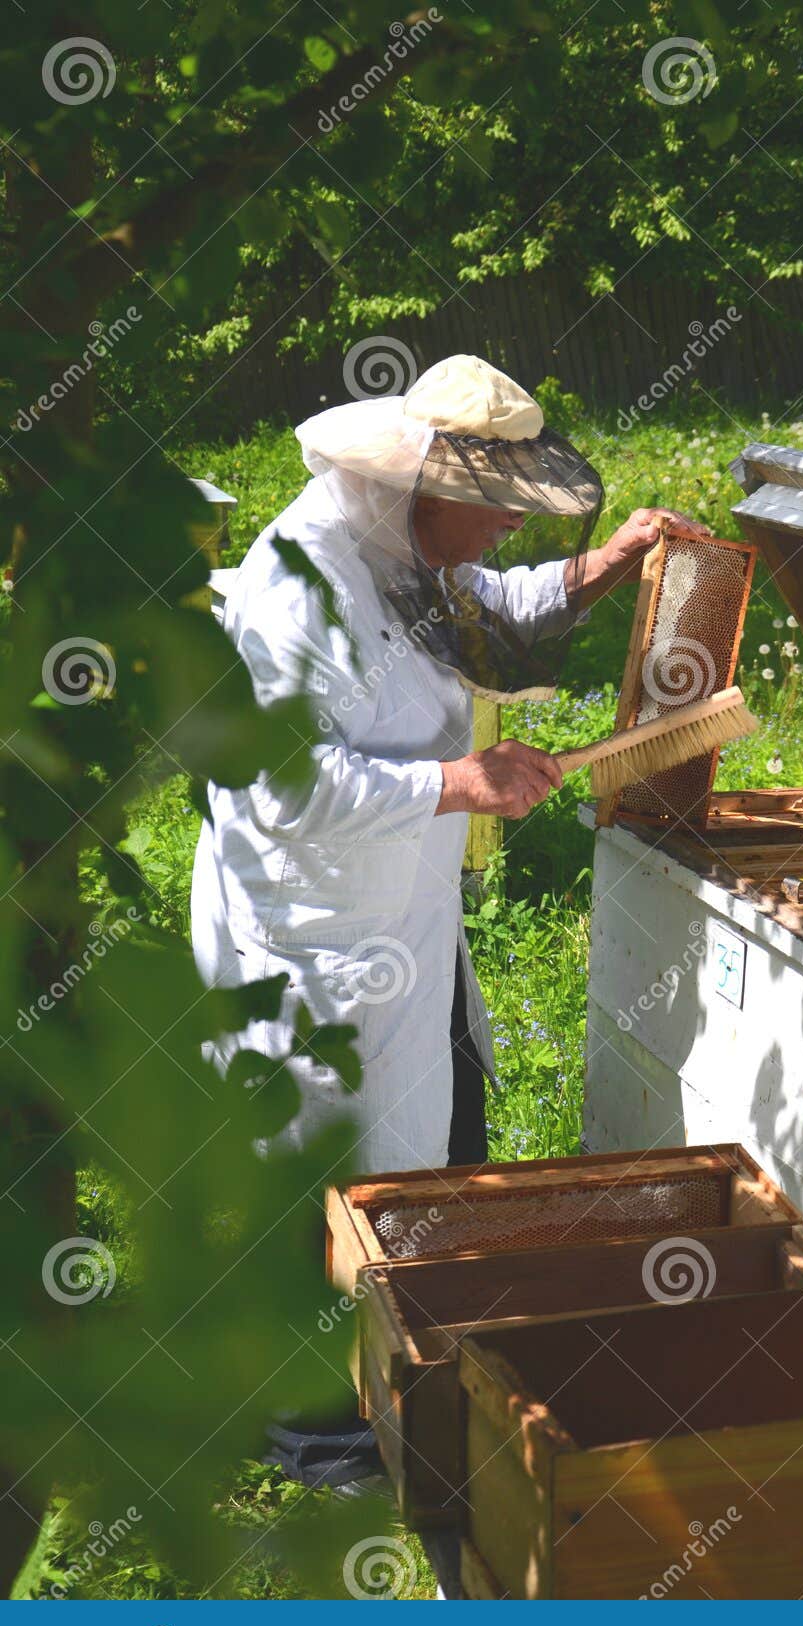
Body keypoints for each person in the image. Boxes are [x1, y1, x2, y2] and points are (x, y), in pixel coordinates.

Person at [191, 353, 689, 1177]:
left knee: (439, 1163)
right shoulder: (302, 588)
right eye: (503, 502)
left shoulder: (403, 547)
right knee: (347, 1201)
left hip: (405, 923)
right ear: (433, 481)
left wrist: (608, 562)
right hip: (321, 948)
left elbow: (490, 606)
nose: (518, 521)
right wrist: (460, 782)